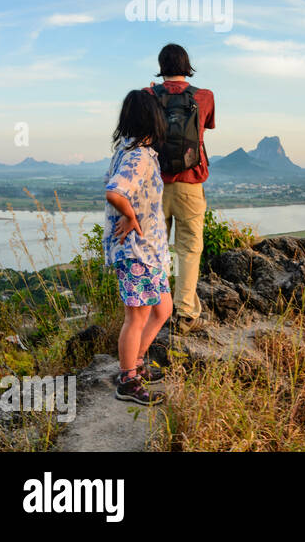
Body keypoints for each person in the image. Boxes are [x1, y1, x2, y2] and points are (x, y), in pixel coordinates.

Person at [104, 90, 174, 406]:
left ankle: (138, 363)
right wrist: (130, 215)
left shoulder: (132, 149)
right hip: (135, 251)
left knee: (162, 308)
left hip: (150, 250)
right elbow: (115, 192)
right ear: (153, 120)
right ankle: (128, 381)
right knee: (137, 316)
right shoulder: (137, 156)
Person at [146, 44, 215, 334]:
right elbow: (206, 127)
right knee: (188, 249)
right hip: (190, 184)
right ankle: (185, 313)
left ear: (161, 66)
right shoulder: (205, 96)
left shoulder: (147, 96)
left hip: (154, 186)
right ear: (187, 65)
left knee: (153, 248)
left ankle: (155, 310)